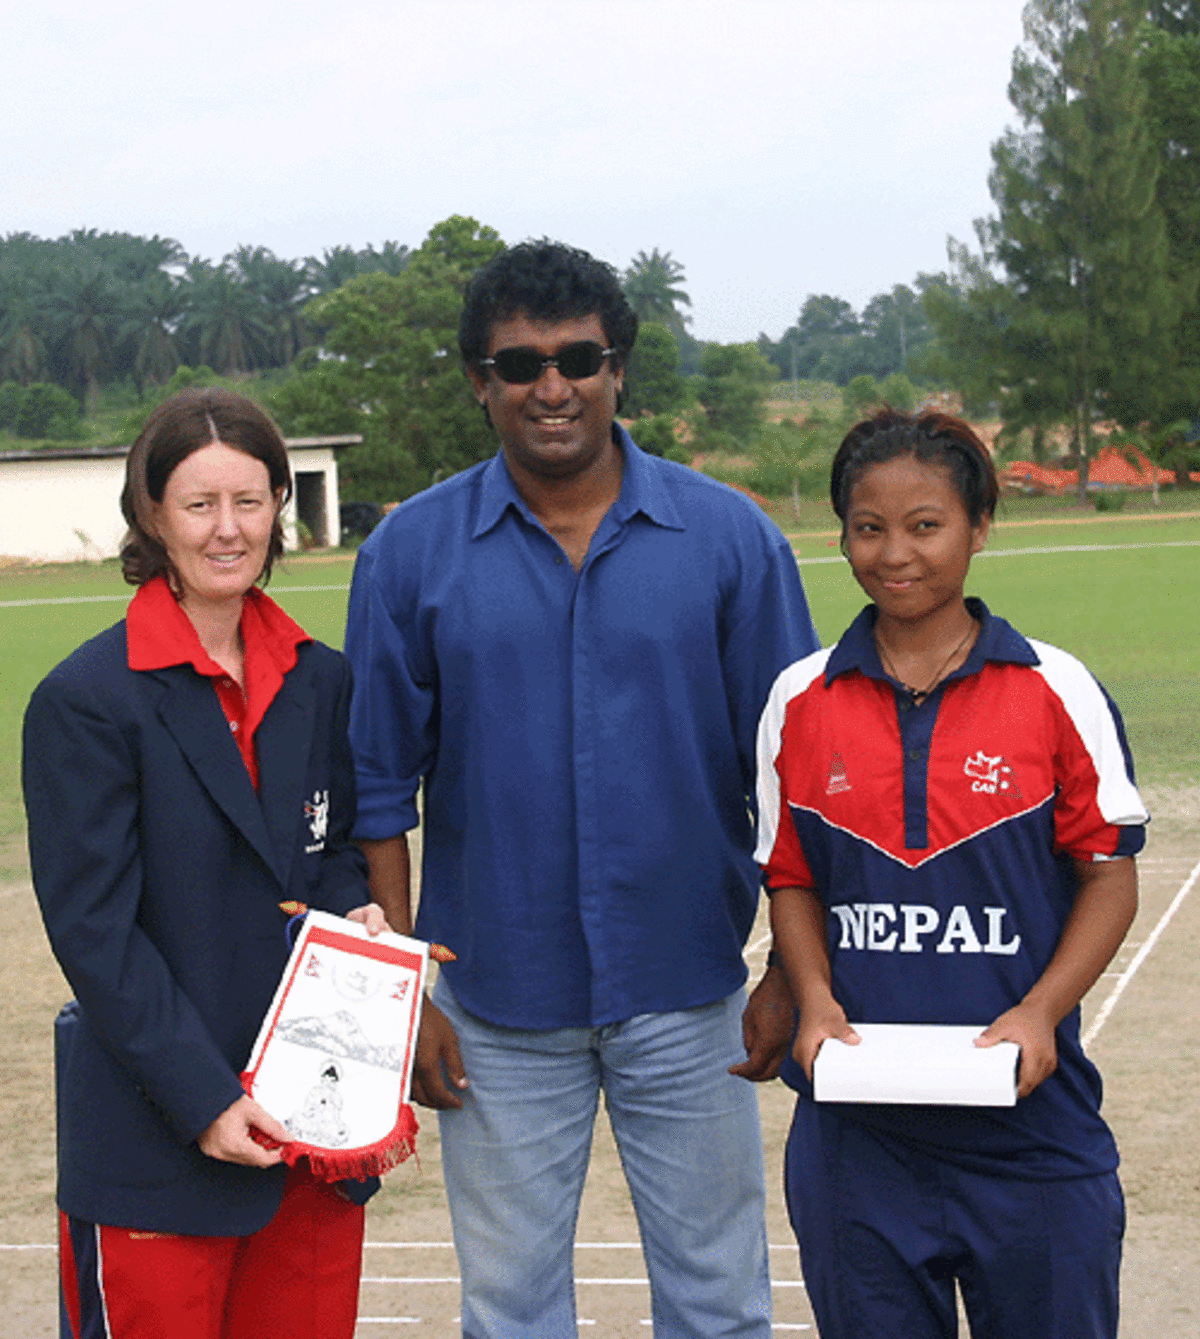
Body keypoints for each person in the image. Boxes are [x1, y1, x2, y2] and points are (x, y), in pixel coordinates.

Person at [345, 240, 820, 1338]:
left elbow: (800, 777)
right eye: (518, 365)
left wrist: (795, 974)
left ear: (618, 369)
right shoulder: (409, 554)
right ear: (480, 380)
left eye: (578, 358)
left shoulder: (730, 539)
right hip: (493, 1002)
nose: (550, 386)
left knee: (717, 1299)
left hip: (690, 989)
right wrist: (405, 995)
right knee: (510, 1308)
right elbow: (379, 787)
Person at [757, 407, 1148, 1339]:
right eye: (869, 526)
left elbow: (1109, 874)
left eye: (926, 525)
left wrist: (1040, 1011)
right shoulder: (799, 698)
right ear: (841, 531)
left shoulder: (1056, 687)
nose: (896, 552)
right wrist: (811, 996)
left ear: (978, 528)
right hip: (859, 1142)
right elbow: (793, 879)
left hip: (1031, 1130)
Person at [22, 388, 388, 1339]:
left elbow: (330, 851)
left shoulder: (322, 676)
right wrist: (207, 1098)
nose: (229, 530)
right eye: (198, 505)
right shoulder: (86, 700)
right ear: (152, 515)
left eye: (252, 501)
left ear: (279, 507)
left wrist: (359, 920)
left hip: (311, 1142)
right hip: (158, 1145)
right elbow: (95, 935)